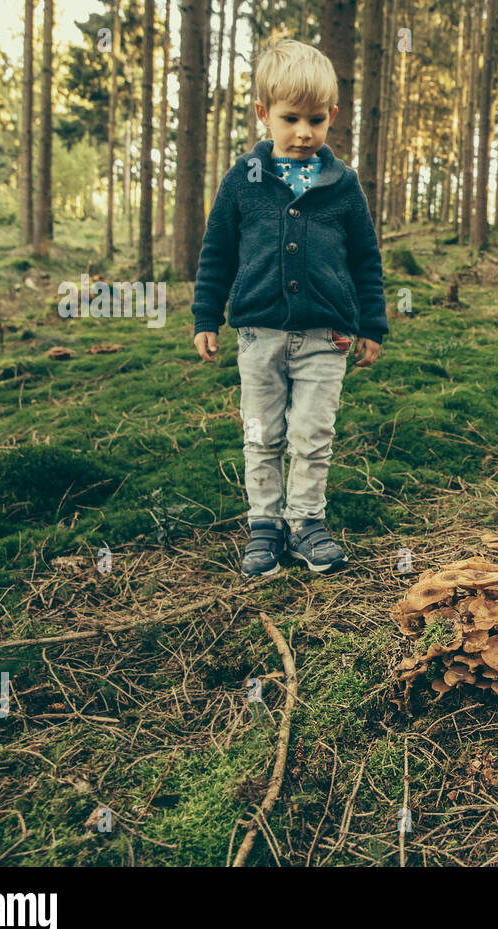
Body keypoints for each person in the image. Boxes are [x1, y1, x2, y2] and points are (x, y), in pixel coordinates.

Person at [191, 39, 387, 577]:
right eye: (290, 118)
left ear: (333, 117)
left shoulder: (343, 185)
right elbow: (217, 254)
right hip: (258, 335)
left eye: (316, 120)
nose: (304, 132)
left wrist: (372, 323)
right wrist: (206, 318)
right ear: (263, 114)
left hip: (327, 336)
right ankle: (264, 523)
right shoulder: (243, 181)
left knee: (312, 432)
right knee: (262, 431)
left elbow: (366, 259)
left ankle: (306, 522)